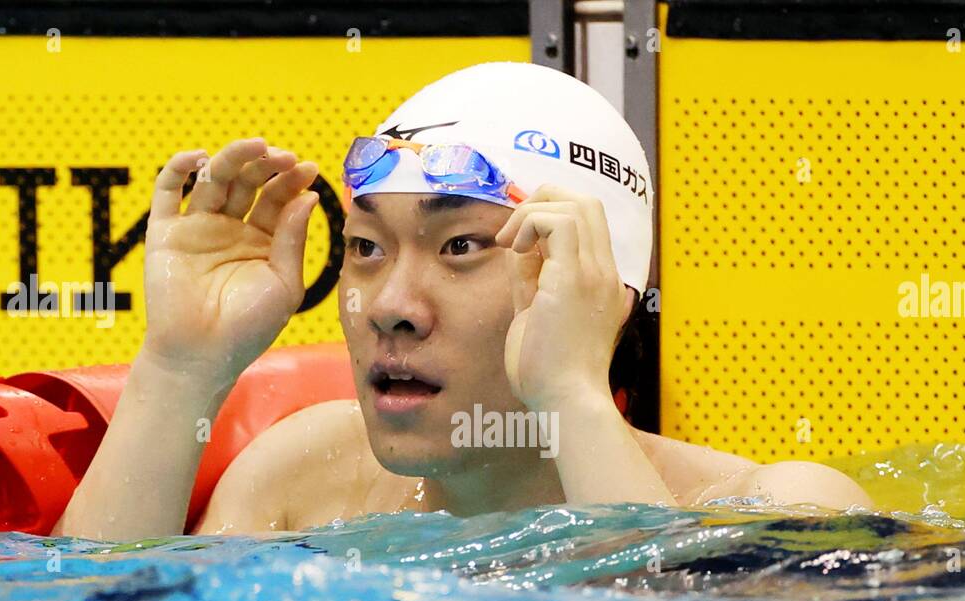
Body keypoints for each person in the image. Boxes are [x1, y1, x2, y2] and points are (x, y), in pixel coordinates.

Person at [54, 61, 871, 542]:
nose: (390, 305)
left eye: (460, 248)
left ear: (603, 284)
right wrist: (179, 369)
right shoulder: (303, 482)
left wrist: (572, 399)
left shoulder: (783, 513)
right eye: (367, 248)